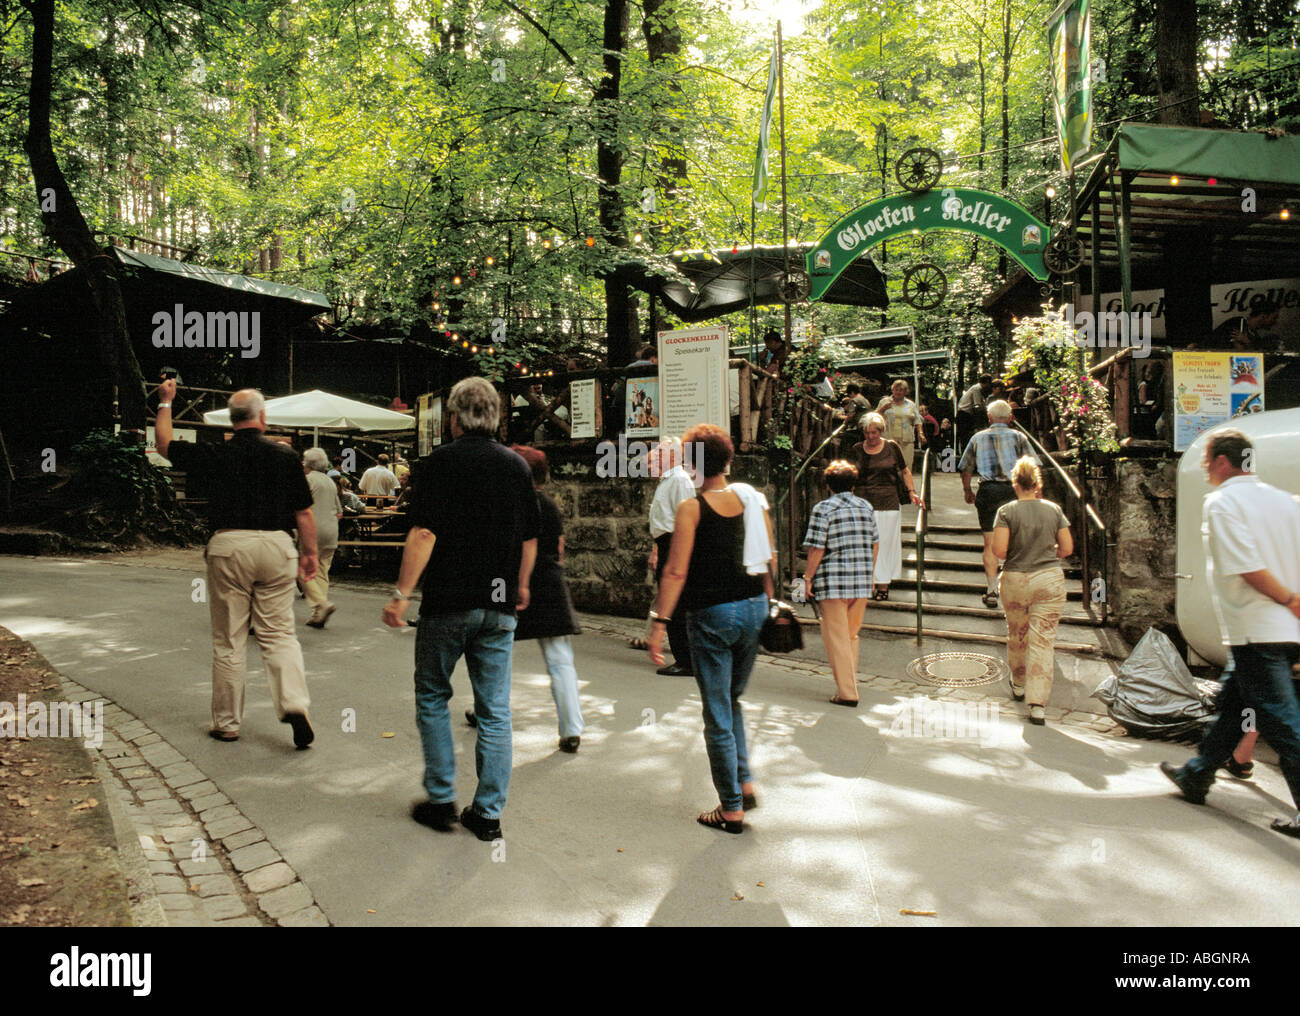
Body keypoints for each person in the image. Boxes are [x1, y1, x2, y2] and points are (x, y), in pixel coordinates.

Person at [382, 377, 539, 841]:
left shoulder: (436, 465)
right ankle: (487, 813)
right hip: (499, 602)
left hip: (449, 600)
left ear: (453, 418)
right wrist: (522, 586)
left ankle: (441, 797)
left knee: (432, 695)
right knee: (495, 711)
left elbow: (424, 534)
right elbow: (531, 538)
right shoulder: (517, 467)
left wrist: (402, 594)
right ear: (495, 418)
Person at [154, 382, 318, 749]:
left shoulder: (215, 454)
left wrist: (166, 402)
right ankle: (293, 703)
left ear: (232, 420)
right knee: (279, 634)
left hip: (229, 545)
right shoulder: (286, 457)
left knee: (229, 639)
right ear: (262, 417)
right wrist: (309, 554)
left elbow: (164, 444)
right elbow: (304, 512)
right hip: (277, 545)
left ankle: (227, 723)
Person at [1160, 429, 1300, 838]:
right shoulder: (1283, 501)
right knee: (1235, 705)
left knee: (1280, 720)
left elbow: (1246, 566)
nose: (1203, 466)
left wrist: (1289, 599)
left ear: (1222, 461)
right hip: (1277, 629)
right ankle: (1198, 775)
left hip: (1258, 627)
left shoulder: (1222, 504)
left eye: (1206, 459)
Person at [647, 424, 776, 834]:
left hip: (713, 615)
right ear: (729, 459)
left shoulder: (691, 509)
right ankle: (745, 781)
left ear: (691, 464)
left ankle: (731, 807)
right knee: (732, 700)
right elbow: (768, 557)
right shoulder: (753, 498)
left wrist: (659, 623)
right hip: (754, 607)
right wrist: (772, 605)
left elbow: (675, 570)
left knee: (717, 711)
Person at [502, 445, 585, 752]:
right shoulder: (550, 505)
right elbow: (560, 547)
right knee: (560, 660)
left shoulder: (510, 503)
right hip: (550, 583)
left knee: (496, 654)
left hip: (515, 584)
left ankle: (488, 711)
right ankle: (571, 728)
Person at [991, 456, 1073, 725]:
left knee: (1017, 634)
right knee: (1043, 641)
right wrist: (1050, 554)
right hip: (1048, 578)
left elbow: (999, 550)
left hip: (1016, 578)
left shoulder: (1006, 512)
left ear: (1015, 483)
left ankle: (1018, 681)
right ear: (1037, 483)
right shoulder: (1054, 510)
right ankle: (1037, 704)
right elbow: (1067, 549)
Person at [802, 461, 879, 707]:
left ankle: (847, 692)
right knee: (850, 636)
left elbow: (816, 547)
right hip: (861, 579)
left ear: (828, 485)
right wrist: (871, 573)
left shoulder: (823, 508)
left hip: (833, 580)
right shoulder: (866, 506)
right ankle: (848, 686)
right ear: (853, 484)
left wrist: (807, 578)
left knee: (836, 637)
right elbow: (875, 543)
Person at [958, 400, 1038, 608]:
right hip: (1015, 491)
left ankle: (992, 589)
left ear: (989, 417)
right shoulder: (1019, 437)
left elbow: (965, 467)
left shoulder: (978, 437)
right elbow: (1034, 465)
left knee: (990, 543)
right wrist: (1036, 494)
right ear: (1011, 418)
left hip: (989, 491)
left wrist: (968, 490)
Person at [850, 412, 923, 601]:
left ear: (881, 431)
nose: (871, 437)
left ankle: (882, 584)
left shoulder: (891, 447)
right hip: (862, 502)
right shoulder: (857, 449)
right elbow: (850, 476)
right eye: (867, 433)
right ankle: (865, 583)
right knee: (863, 545)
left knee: (885, 544)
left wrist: (912, 492)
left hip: (888, 502)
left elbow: (904, 471)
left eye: (874, 432)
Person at [645, 437, 699, 675]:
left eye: (659, 453)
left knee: (675, 603)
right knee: (671, 601)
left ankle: (686, 660)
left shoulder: (679, 480)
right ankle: (684, 658)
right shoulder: (668, 479)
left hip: (674, 542)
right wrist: (658, 548)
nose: (654, 457)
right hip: (666, 542)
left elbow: (685, 518)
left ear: (674, 456)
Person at [302, 448, 343, 629]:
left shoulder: (307, 480)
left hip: (312, 531)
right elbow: (340, 512)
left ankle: (320, 604)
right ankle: (318, 614)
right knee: (322, 572)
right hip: (331, 531)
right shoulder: (330, 482)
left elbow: (300, 507)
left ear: (307, 464)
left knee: (303, 569)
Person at [876, 379, 925, 471]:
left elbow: (917, 421)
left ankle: (906, 485)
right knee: (888, 467)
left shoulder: (911, 404)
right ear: (892, 390)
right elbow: (875, 417)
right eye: (896, 389)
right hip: (888, 440)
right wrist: (882, 409)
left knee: (906, 467)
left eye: (901, 390)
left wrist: (921, 434)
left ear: (905, 391)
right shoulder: (884, 402)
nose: (898, 392)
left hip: (906, 441)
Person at [956, 374, 994, 443]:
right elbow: (978, 406)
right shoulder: (977, 389)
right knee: (966, 436)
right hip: (964, 414)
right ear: (986, 383)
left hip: (968, 414)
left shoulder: (980, 390)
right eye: (989, 384)